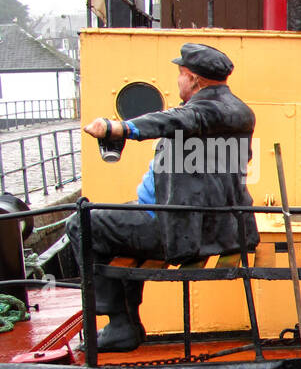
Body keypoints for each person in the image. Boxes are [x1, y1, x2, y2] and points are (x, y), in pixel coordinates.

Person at [73, 43, 259, 352]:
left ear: (193, 79)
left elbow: (171, 120)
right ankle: (127, 322)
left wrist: (118, 128)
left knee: (82, 224)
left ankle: (120, 323)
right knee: (112, 222)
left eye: (180, 76)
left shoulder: (206, 111)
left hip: (183, 228)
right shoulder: (237, 110)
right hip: (211, 224)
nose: (178, 82)